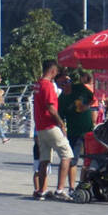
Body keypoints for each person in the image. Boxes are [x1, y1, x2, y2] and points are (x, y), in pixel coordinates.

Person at [32, 59, 74, 201]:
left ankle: (41, 190)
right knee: (67, 154)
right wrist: (61, 123)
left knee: (44, 159)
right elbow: (51, 108)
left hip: (40, 127)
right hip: (50, 125)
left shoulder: (37, 84)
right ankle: (60, 189)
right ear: (53, 71)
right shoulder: (48, 85)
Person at [58, 69, 95, 185]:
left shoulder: (79, 88)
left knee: (90, 160)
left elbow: (92, 98)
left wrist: (86, 106)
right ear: (59, 86)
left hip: (88, 129)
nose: (67, 85)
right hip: (74, 132)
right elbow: (60, 119)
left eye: (68, 81)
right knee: (72, 160)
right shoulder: (62, 99)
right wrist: (63, 132)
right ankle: (72, 187)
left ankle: (87, 183)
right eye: (63, 84)